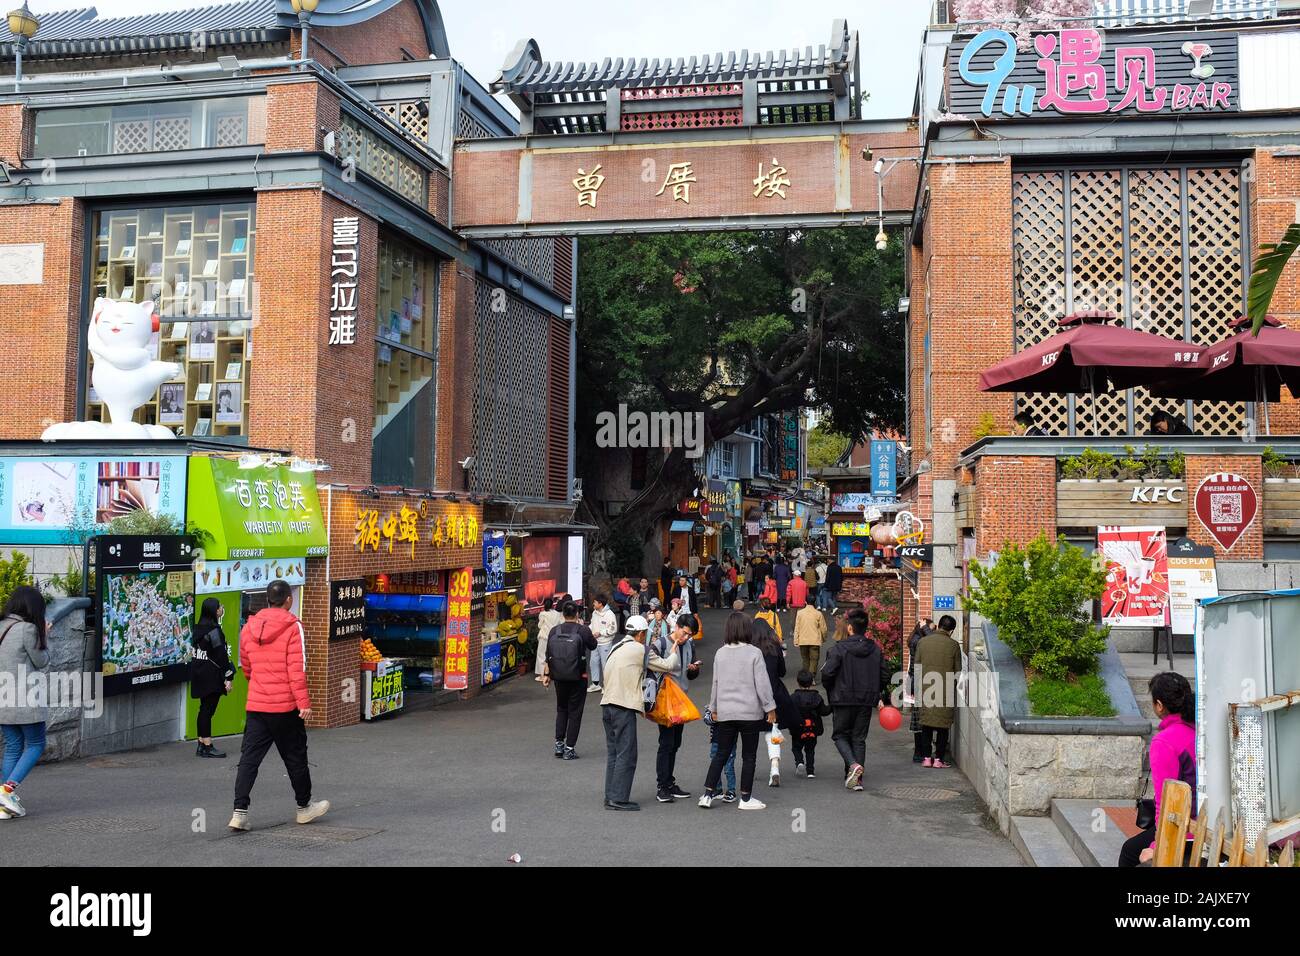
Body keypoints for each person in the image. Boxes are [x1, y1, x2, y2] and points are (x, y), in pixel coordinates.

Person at [229, 579, 328, 831]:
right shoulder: (293, 626)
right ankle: (304, 807)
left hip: (257, 705)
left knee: (249, 759)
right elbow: (297, 668)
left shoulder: (248, 627)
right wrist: (303, 703)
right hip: (285, 707)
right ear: (288, 600)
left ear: (267, 598)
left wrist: (259, 685)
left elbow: (246, 666)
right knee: (295, 757)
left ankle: (239, 813)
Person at [600, 614, 684, 811]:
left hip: (606, 704)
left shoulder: (615, 647)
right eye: (645, 634)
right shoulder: (641, 649)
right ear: (640, 634)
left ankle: (610, 796)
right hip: (623, 706)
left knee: (614, 753)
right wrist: (673, 651)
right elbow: (667, 666)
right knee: (627, 753)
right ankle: (618, 799)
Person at [698, 614, 777, 811]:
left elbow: (715, 683)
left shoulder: (720, 653)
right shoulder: (754, 653)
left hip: (725, 712)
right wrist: (770, 707)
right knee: (749, 756)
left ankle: (707, 795)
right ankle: (746, 798)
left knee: (721, 754)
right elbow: (762, 683)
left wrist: (713, 708)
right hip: (749, 713)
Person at [1119, 672, 1197, 867]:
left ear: (1159, 705)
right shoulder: (1199, 729)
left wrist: (1157, 845)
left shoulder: (1165, 741)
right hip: (1204, 822)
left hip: (1184, 829)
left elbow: (1165, 801)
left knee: (1129, 852)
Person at [821, 607, 889, 792]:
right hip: (866, 699)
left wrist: (831, 689)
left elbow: (827, 673)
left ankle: (853, 765)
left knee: (840, 735)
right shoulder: (875, 649)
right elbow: (885, 674)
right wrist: (876, 692)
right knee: (858, 738)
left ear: (850, 628)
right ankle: (856, 780)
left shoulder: (839, 649)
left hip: (842, 698)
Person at [0, 586, 49, 820]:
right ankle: (6, 791)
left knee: (12, 746)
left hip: (2, 700)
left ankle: (3, 805)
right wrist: (45, 636)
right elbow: (41, 661)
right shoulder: (28, 629)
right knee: (36, 743)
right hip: (25, 699)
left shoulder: (1, 625)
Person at [652, 614, 699, 803]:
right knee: (666, 742)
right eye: (685, 633)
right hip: (665, 701)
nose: (686, 637)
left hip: (681, 700)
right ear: (677, 626)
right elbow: (650, 668)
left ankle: (669, 783)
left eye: (690, 635)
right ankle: (662, 787)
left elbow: (691, 675)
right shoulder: (661, 644)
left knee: (675, 743)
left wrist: (694, 669)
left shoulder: (689, 645)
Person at [541, 601, 598, 760]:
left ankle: (559, 744)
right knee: (575, 712)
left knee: (562, 709)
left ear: (563, 614)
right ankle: (569, 748)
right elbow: (593, 645)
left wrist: (546, 675)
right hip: (578, 677)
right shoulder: (583, 630)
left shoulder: (554, 631)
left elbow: (548, 654)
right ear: (577, 614)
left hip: (558, 677)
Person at [752, 613, 798, 787]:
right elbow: (782, 672)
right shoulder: (774, 647)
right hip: (775, 694)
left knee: (750, 732)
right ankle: (775, 767)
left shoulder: (750, 649)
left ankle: (750, 767)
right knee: (772, 730)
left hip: (754, 695)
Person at [913, 614, 961, 768]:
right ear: (951, 631)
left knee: (926, 725)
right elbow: (958, 671)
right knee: (943, 726)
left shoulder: (923, 642)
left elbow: (917, 667)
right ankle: (939, 760)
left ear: (938, 626)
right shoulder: (954, 645)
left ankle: (927, 758)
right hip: (945, 690)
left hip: (926, 688)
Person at [191, 597, 236, 758]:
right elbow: (221, 656)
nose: (222, 608)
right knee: (208, 710)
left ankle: (201, 743)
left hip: (199, 672)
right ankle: (207, 746)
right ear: (214, 611)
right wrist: (228, 677)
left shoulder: (198, 628)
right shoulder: (214, 631)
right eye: (219, 606)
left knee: (203, 709)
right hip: (211, 675)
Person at [791, 670, 831, 778]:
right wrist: (832, 706)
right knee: (810, 749)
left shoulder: (793, 697)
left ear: (798, 682)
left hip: (798, 729)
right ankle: (810, 771)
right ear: (811, 682)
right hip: (813, 728)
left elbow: (789, 712)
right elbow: (824, 711)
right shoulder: (817, 697)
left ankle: (799, 762)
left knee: (796, 747)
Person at [907, 617, 934, 762]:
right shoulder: (920, 642)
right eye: (932, 628)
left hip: (916, 681)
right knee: (921, 720)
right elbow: (934, 642)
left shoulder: (915, 640)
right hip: (921, 682)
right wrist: (926, 627)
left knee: (918, 719)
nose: (934, 632)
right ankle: (921, 753)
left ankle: (919, 752)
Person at [703, 705, 737, 802]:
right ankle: (717, 789)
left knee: (728, 767)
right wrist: (713, 716)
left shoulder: (734, 705)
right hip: (716, 740)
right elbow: (707, 719)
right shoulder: (712, 705)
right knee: (715, 765)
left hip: (730, 741)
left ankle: (731, 791)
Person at [587, 593, 619, 694]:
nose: (593, 604)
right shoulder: (595, 612)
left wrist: (600, 633)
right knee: (593, 663)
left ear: (600, 604)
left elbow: (613, 629)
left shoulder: (609, 614)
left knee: (606, 664)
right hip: (595, 642)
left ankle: (607, 686)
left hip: (605, 643)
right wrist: (587, 630)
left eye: (595, 602)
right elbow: (592, 624)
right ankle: (595, 684)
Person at [793, 598, 828, 680]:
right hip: (815, 640)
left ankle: (806, 678)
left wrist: (796, 640)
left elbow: (797, 627)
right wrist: (824, 638)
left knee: (805, 659)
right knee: (814, 660)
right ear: (814, 602)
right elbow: (824, 628)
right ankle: (812, 678)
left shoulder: (800, 613)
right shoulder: (818, 614)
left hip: (803, 640)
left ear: (806, 602)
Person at [534, 597, 562, 681]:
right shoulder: (557, 614)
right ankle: (554, 673)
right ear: (552, 604)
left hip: (544, 636)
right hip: (554, 637)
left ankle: (542, 675)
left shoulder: (543, 614)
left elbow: (539, 625)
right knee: (553, 655)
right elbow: (559, 624)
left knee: (541, 655)